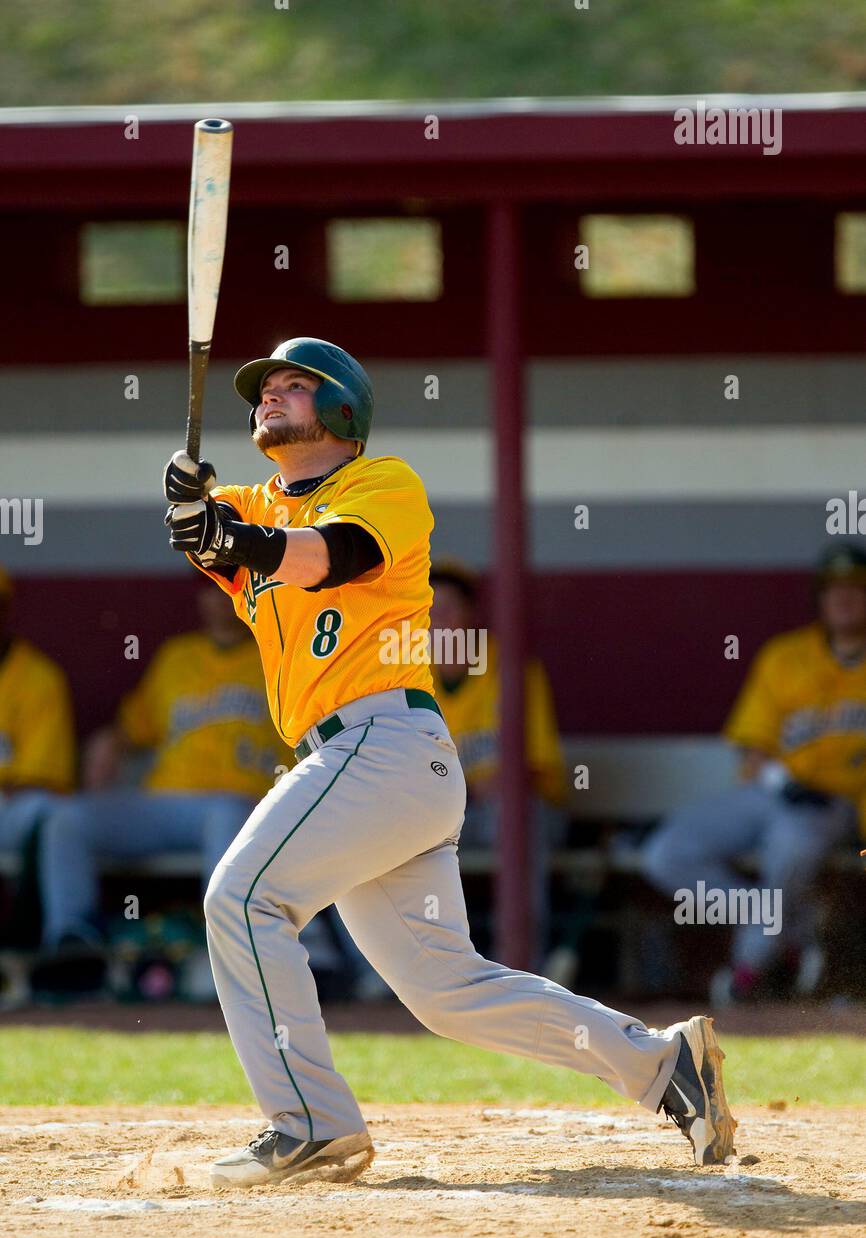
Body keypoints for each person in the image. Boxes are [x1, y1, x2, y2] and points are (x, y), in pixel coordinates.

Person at [162, 335, 736, 1189]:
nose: (270, 396)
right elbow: (223, 541)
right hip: (362, 770)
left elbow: (329, 555)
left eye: (293, 385)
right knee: (446, 991)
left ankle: (310, 1123)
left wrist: (230, 536)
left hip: (381, 748)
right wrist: (187, 511)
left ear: (343, 408)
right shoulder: (257, 501)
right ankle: (662, 1065)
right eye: (264, 389)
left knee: (243, 899)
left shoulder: (383, 483)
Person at [643, 544, 866, 1004]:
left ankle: (746, 972)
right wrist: (782, 783)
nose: (844, 600)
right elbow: (752, 745)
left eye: (856, 589)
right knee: (666, 854)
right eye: (834, 590)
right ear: (820, 599)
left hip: (834, 803)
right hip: (772, 791)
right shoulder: (785, 656)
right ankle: (789, 934)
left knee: (793, 845)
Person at [39, 582, 282, 950]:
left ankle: (227, 948)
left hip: (239, 803)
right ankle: (73, 938)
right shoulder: (176, 657)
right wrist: (108, 745)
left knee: (226, 815)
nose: (217, 597)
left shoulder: (276, 658)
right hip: (165, 803)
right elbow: (132, 729)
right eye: (209, 588)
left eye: (228, 587)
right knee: (66, 820)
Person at [428, 558, 568, 972]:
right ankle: (414, 971)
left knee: (513, 815)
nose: (439, 621)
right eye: (429, 610)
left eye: (449, 609)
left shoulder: (511, 669)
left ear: (471, 616)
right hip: (448, 814)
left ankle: (525, 963)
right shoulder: (405, 675)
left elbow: (533, 771)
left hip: (521, 814)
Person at [0, 566, 76, 931]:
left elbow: (44, 781)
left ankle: (30, 926)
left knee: (48, 812)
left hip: (11, 809)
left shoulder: (38, 678)